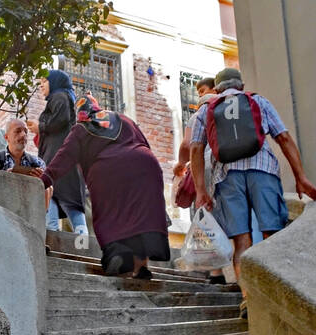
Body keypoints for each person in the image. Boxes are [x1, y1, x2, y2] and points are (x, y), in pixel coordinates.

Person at [189, 67, 316, 283]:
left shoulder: (206, 109)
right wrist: (301, 177)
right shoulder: (258, 101)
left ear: (217, 88)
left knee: (241, 241)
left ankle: (247, 297)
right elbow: (283, 138)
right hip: (263, 170)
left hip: (227, 176)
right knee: (272, 233)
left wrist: (201, 190)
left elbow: (195, 149)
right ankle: (276, 288)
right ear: (240, 85)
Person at [42, 93, 169, 278]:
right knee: (141, 218)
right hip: (144, 166)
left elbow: (64, 157)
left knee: (112, 218)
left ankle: (118, 255)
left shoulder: (81, 129)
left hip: (107, 173)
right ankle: (141, 267)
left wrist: (44, 180)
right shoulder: (123, 118)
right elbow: (144, 143)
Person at [174, 75, 227, 283]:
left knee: (204, 214)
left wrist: (180, 163)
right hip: (225, 167)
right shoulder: (227, 109)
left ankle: (212, 270)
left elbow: (188, 144)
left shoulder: (201, 113)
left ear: (214, 90)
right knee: (220, 214)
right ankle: (221, 267)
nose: (199, 97)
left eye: (202, 91)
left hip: (203, 166)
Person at [38, 69, 88, 236]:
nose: (41, 85)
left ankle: (54, 239)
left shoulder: (59, 97)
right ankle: (82, 243)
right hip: (64, 163)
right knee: (70, 205)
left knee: (53, 197)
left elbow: (59, 121)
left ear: (55, 82)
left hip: (58, 163)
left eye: (44, 81)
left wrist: (40, 127)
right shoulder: (62, 98)